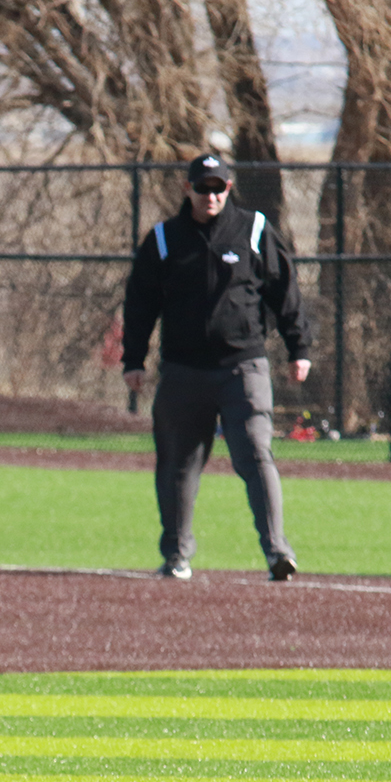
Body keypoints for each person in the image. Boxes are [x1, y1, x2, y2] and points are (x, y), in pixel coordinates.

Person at [122, 154, 312, 583]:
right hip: (182, 371)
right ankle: (176, 556)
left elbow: (285, 292)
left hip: (242, 368)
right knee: (177, 464)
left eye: (218, 188)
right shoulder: (165, 239)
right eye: (202, 187)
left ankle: (278, 552)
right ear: (187, 189)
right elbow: (140, 303)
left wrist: (299, 348)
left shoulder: (255, 230)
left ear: (228, 189)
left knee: (256, 455)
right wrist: (134, 359)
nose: (210, 195)